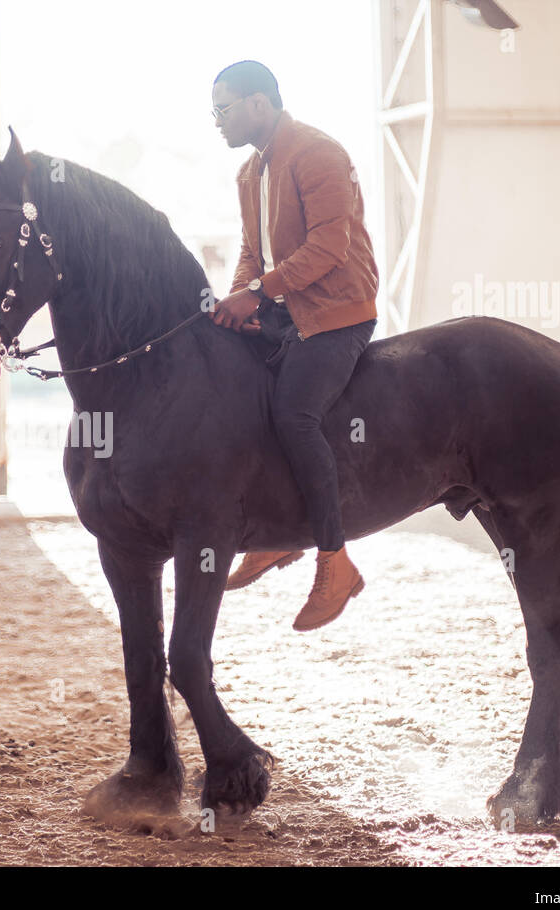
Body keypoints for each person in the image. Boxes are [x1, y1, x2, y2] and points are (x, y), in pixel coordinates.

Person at [209, 60, 379, 631]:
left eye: (223, 109)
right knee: (239, 398)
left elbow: (330, 246)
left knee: (294, 414)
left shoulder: (317, 153)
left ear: (259, 103)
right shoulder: (247, 174)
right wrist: (237, 298)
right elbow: (252, 254)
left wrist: (257, 294)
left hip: (337, 316)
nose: (216, 121)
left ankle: (336, 559)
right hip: (288, 315)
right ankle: (279, 536)